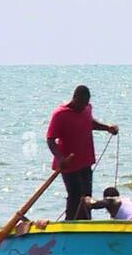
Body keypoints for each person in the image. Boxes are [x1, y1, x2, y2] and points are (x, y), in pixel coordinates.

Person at [46, 85, 118, 221]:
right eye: (81, 103)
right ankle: (69, 225)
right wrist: (60, 158)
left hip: (85, 161)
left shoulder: (86, 108)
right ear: (75, 98)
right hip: (69, 164)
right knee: (75, 195)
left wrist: (107, 128)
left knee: (86, 197)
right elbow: (50, 140)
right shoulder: (60, 114)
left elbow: (90, 123)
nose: (83, 107)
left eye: (86, 103)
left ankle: (85, 224)